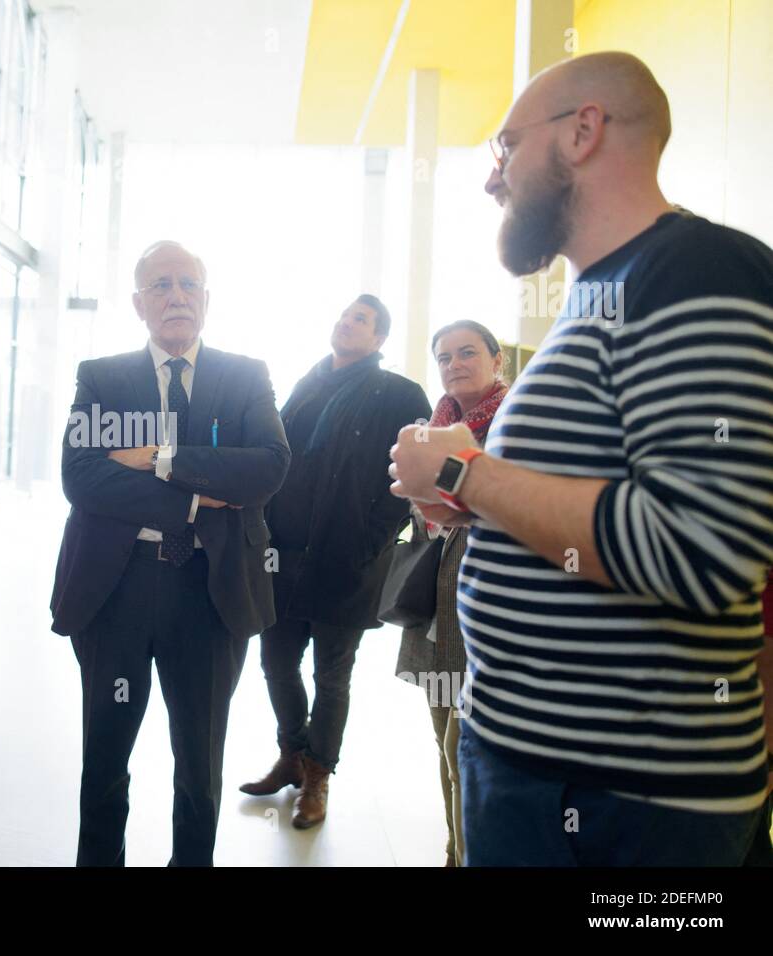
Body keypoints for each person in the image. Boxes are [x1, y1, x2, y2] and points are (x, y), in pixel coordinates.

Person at [388, 51, 773, 866]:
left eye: (505, 146)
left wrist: (463, 472)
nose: (493, 180)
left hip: (621, 807)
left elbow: (702, 547)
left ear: (583, 132)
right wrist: (474, 500)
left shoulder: (694, 269)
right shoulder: (601, 295)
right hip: (554, 781)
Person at [51, 240, 290, 866]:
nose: (176, 295)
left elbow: (266, 470)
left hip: (209, 594)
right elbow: (81, 477)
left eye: (188, 284)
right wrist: (191, 501)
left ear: (207, 300)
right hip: (117, 589)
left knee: (199, 761)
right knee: (105, 755)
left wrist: (161, 459)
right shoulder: (101, 377)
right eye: (161, 285)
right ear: (138, 303)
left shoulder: (246, 375)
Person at [241, 296, 430, 828]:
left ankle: (318, 776)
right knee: (275, 662)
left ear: (379, 340)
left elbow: (409, 477)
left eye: (362, 320)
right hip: (283, 557)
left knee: (331, 674)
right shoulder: (307, 382)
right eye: (345, 315)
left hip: (348, 563)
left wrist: (371, 541)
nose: (347, 323)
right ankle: (292, 755)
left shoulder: (399, 393)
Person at [394, 320, 508, 865]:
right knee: (442, 738)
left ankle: (472, 852)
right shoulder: (430, 429)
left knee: (464, 746)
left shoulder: (515, 422)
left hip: (488, 604)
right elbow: (417, 511)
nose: (455, 364)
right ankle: (454, 844)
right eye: (444, 357)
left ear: (497, 360)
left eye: (467, 353)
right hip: (433, 601)